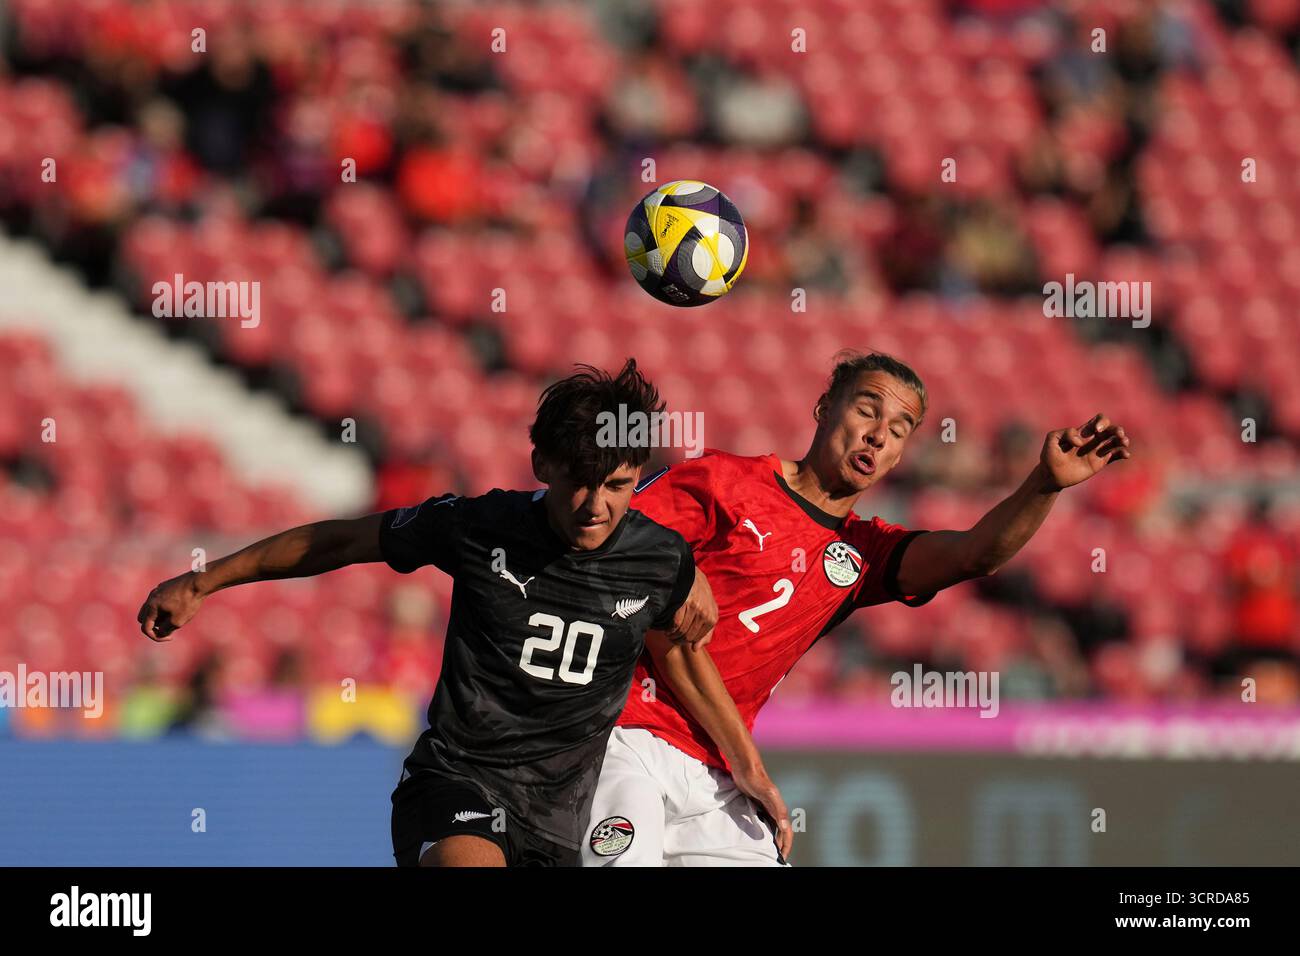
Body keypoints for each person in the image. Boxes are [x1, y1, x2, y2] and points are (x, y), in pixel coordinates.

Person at [138, 359, 751, 867]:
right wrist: (205, 581)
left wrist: (752, 770)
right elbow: (343, 541)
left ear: (637, 475)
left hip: (565, 817)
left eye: (617, 486)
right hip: (461, 779)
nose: (596, 506)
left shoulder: (660, 559)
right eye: (580, 484)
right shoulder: (479, 527)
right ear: (543, 465)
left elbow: (685, 662)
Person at [582, 350, 1133, 866]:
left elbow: (975, 555)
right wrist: (747, 759)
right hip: (625, 734)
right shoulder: (721, 480)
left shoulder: (863, 553)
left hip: (717, 774)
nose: (878, 434)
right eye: (867, 410)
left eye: (898, 430)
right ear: (825, 409)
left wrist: (1043, 485)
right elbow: (629, 578)